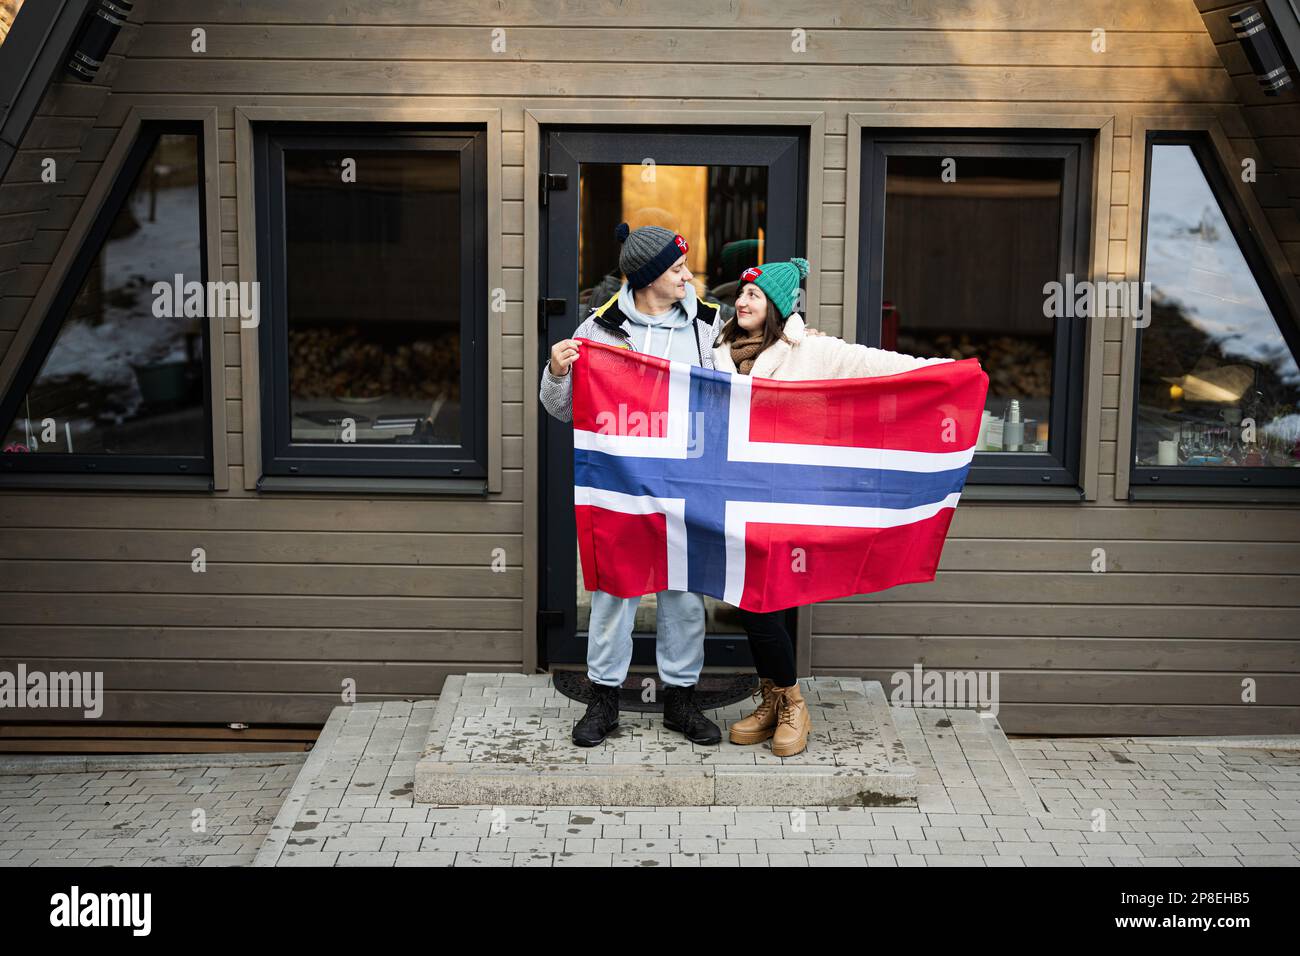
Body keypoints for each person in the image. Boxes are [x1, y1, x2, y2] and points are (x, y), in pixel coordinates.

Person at [714, 257, 956, 756]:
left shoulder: (812, 350)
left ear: (778, 306)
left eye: (754, 296)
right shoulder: (716, 349)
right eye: (741, 293)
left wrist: (946, 371)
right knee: (750, 600)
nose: (741, 301)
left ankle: (792, 704)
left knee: (762, 601)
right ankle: (772, 696)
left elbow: (876, 364)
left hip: (791, 496)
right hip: (735, 495)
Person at [541, 222, 726, 748]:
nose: (687, 277)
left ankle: (681, 701)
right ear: (647, 278)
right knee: (613, 593)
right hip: (620, 485)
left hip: (687, 482)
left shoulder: (709, 327)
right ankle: (603, 700)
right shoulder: (597, 330)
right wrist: (556, 372)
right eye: (676, 270)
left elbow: (737, 396)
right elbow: (562, 410)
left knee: (684, 594)